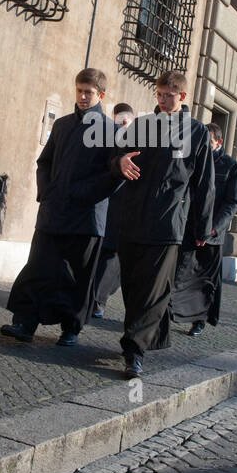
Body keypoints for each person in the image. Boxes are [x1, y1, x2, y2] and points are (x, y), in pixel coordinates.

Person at [2, 69, 120, 346]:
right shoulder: (63, 125)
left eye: (88, 92)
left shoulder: (112, 131)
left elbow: (115, 177)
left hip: (87, 217)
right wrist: (47, 191)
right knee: (39, 269)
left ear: (100, 95)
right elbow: (45, 163)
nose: (81, 96)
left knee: (77, 277)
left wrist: (82, 194)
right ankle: (27, 324)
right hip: (53, 211)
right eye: (79, 90)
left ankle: (71, 329)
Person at [110, 70, 214, 378]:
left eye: (169, 95)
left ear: (182, 97)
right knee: (131, 285)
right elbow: (114, 158)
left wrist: (202, 227)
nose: (163, 100)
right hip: (132, 219)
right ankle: (140, 338)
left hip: (169, 223)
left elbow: (204, 184)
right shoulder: (141, 126)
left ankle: (134, 350)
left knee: (153, 291)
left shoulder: (197, 132)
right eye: (159, 94)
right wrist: (120, 163)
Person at [171, 122, 237, 335]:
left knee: (205, 281)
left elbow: (232, 204)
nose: (204, 145)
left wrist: (212, 229)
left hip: (212, 235)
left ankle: (200, 319)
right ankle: (172, 313)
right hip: (189, 228)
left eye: (208, 142)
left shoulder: (231, 166)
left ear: (218, 142)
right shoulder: (194, 158)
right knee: (180, 273)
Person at [89, 103, 135, 318]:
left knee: (112, 256)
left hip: (126, 208)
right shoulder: (107, 139)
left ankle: (98, 300)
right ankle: (94, 297)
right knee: (102, 254)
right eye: (118, 120)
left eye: (125, 121)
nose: (122, 124)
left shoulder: (141, 142)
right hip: (104, 203)